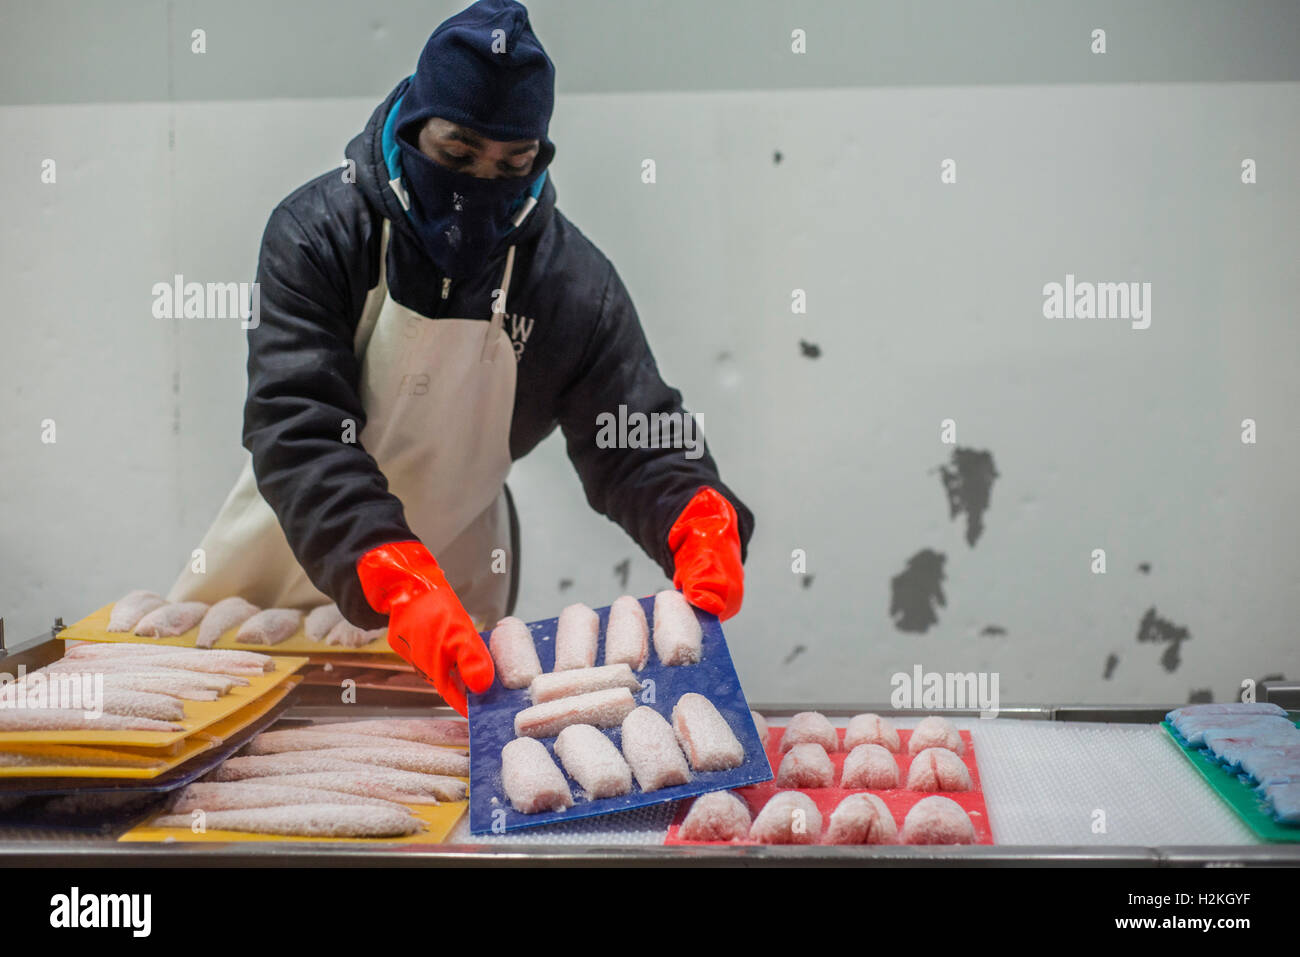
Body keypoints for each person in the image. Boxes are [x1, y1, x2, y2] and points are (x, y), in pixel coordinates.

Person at [169, 0, 754, 715]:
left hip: (454, 591)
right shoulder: (319, 235)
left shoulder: (568, 283)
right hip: (278, 563)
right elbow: (300, 431)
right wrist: (393, 575)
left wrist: (696, 511)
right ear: (414, 127)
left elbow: (632, 436)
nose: (481, 184)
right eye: (456, 156)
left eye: (513, 164)